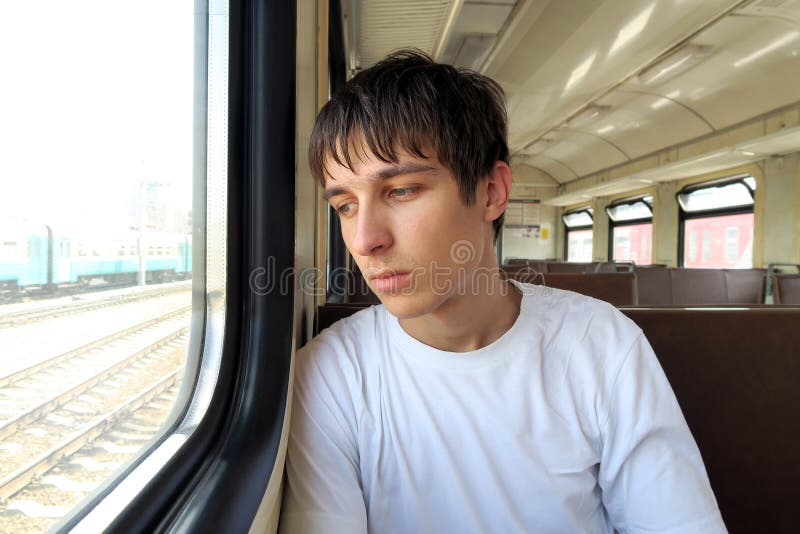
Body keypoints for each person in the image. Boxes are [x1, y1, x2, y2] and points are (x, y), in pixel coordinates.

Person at [279, 50, 726, 534]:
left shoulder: (601, 344)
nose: (365, 239)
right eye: (345, 206)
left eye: (402, 190)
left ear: (491, 191)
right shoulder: (329, 376)